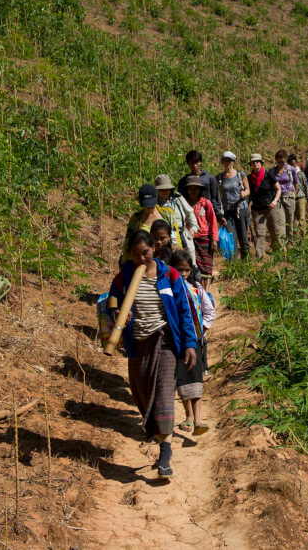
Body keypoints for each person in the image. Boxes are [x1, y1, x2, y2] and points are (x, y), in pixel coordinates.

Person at [106, 229, 199, 478]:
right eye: (137, 255)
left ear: (153, 250)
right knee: (142, 394)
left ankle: (165, 453)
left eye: (146, 253)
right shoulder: (123, 277)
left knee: (162, 396)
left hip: (165, 342)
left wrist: (190, 343)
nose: (142, 259)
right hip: (138, 345)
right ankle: (156, 434)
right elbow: (111, 302)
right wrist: (116, 313)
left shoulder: (169, 275)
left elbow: (183, 311)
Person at [169, 250, 208, 436]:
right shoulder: (171, 289)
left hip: (196, 340)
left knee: (196, 378)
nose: (183, 274)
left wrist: (202, 329)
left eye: (186, 270)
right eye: (179, 270)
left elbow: (209, 310)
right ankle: (189, 416)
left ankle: (198, 419)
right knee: (183, 379)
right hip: (179, 340)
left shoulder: (197, 289)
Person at [179, 174, 220, 280]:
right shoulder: (183, 204)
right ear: (187, 189)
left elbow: (213, 222)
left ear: (200, 190)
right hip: (189, 238)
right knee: (190, 265)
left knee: (206, 268)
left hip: (204, 239)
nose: (193, 191)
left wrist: (214, 240)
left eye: (196, 188)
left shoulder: (206, 203)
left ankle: (206, 292)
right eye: (191, 188)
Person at [215, 152, 251, 260]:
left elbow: (248, 189)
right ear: (223, 162)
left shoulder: (241, 175)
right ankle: (233, 263)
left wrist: (244, 193)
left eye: (230, 160)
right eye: (226, 160)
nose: (228, 163)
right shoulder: (219, 178)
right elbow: (216, 194)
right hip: (227, 211)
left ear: (233, 162)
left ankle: (246, 262)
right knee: (231, 237)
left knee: (243, 237)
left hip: (241, 209)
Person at [247, 153, 282, 257]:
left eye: (258, 162)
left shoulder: (268, 174)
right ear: (251, 165)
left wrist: (275, 201)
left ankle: (278, 255)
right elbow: (249, 195)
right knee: (260, 233)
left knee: (275, 231)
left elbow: (278, 189)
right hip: (257, 210)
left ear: (261, 163)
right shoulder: (249, 178)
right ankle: (260, 257)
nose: (256, 164)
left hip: (271, 208)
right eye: (254, 162)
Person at [155, 174, 197, 259]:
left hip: (183, 234)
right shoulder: (155, 204)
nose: (165, 192)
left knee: (190, 261)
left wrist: (193, 228)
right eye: (161, 190)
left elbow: (189, 212)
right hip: (166, 238)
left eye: (167, 189)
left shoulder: (177, 199)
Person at [122, 184, 164, 261]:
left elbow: (175, 240)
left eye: (151, 203)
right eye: (146, 204)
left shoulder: (167, 215)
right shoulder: (136, 218)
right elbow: (128, 243)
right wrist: (124, 263)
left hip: (163, 258)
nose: (149, 207)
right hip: (142, 259)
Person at [273, 150, 299, 244]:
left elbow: (296, 182)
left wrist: (294, 194)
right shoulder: (273, 171)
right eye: (279, 160)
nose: (281, 162)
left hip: (289, 196)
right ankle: (282, 243)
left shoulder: (291, 169)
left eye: (283, 160)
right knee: (280, 221)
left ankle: (290, 242)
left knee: (290, 221)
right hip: (278, 198)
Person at [287, 153, 308, 239]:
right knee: (293, 219)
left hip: (301, 197)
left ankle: (303, 236)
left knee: (302, 218)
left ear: (296, 163)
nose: (293, 166)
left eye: (294, 164)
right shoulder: (287, 174)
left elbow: (306, 185)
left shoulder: (300, 173)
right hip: (291, 198)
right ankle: (296, 237)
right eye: (291, 164)